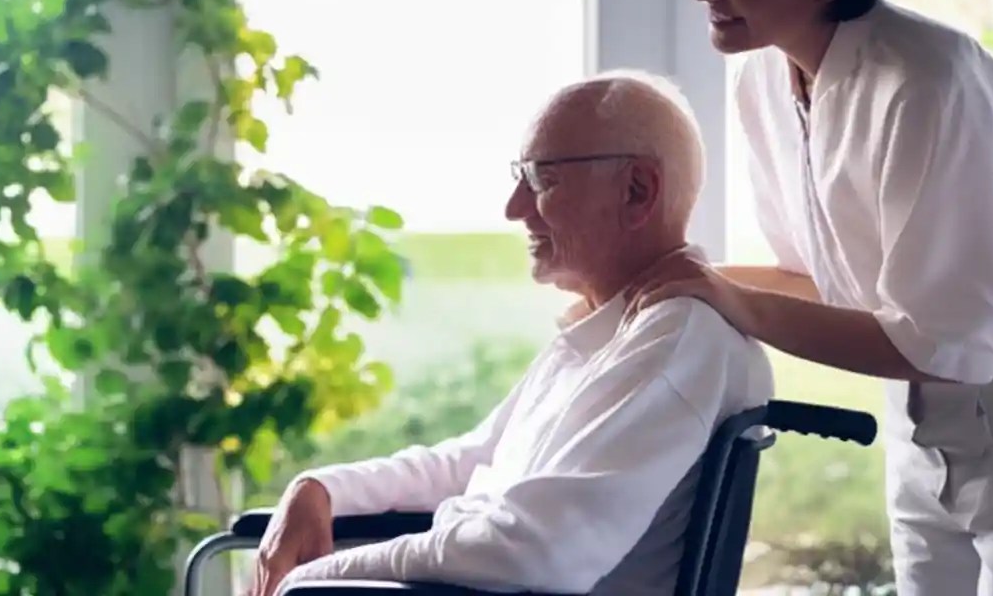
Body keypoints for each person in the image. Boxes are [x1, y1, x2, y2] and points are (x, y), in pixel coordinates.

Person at [626, 0, 993, 594]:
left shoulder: (930, 83)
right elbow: (820, 280)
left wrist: (720, 293)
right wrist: (663, 279)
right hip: (924, 418)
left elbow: (949, 346)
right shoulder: (765, 69)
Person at [246, 71, 774, 596]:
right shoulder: (614, 330)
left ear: (637, 191)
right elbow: (475, 460)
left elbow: (537, 552)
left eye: (543, 179)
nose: (514, 208)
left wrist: (309, 578)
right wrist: (321, 488)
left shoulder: (678, 340)